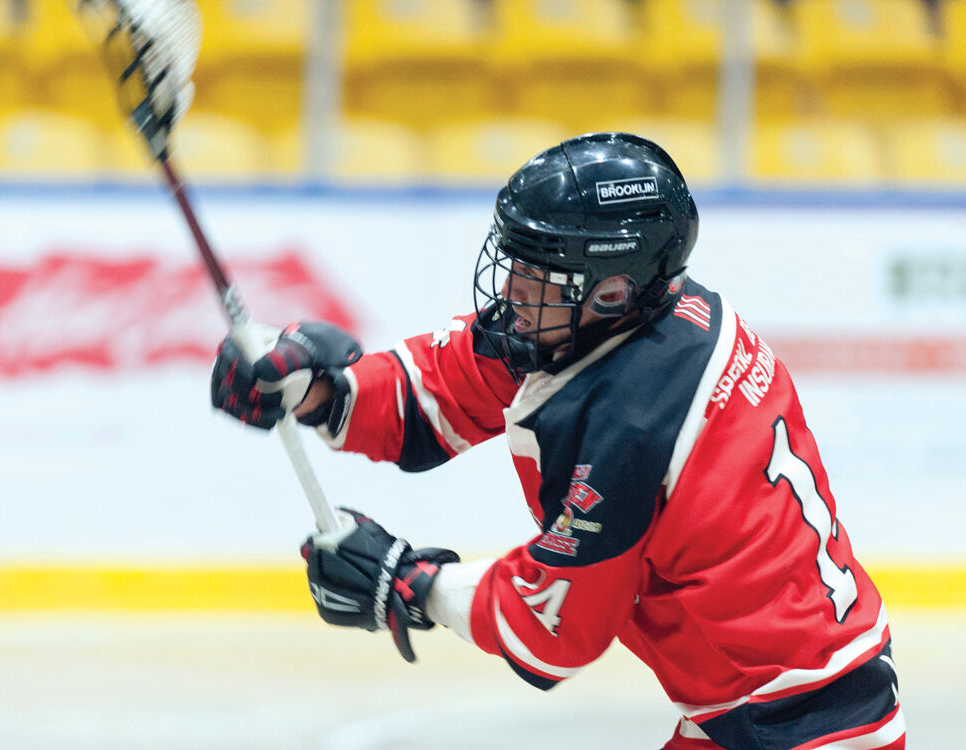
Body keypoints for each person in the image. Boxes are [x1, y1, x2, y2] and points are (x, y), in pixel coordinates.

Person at [210, 132, 905, 749]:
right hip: (763, 707)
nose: (511, 289)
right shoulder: (616, 324)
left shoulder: (634, 414)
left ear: (609, 291)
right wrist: (316, 390)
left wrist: (411, 585)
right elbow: (439, 391)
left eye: (537, 274)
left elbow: (555, 629)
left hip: (802, 725)